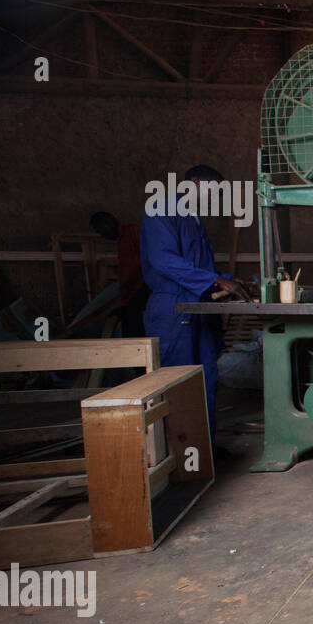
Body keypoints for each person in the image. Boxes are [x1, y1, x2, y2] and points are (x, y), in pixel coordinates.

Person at [140, 165, 250, 441]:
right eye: (213, 190)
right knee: (178, 382)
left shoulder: (193, 217)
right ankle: (179, 458)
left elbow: (197, 265)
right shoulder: (162, 209)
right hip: (174, 309)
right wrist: (216, 280)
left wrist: (226, 278)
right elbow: (163, 260)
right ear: (194, 182)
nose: (215, 198)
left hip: (199, 307)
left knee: (205, 381)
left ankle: (204, 453)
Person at [89, 210, 147, 339]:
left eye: (100, 230)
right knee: (126, 316)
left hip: (146, 286)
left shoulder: (132, 232)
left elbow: (147, 260)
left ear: (108, 223)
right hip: (135, 290)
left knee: (133, 317)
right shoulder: (122, 240)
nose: (102, 235)